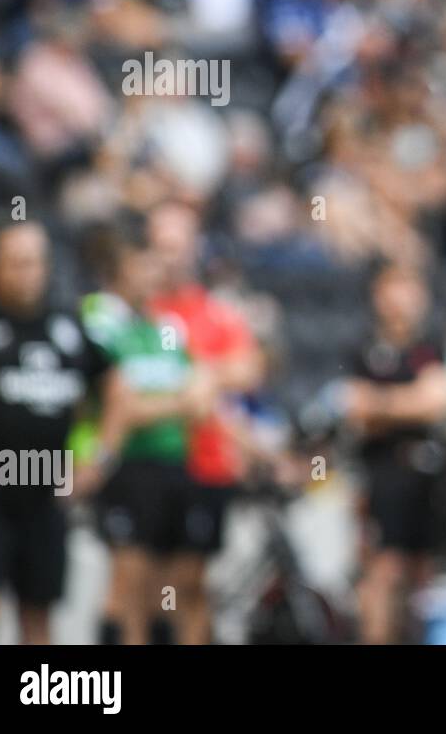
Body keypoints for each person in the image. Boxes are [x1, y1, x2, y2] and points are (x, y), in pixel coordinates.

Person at [0, 221, 113, 644]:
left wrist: (97, 459)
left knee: (39, 614)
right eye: (14, 263)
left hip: (45, 492)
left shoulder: (68, 330)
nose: (24, 272)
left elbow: (115, 389)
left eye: (32, 262)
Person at [79, 217, 216, 645]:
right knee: (131, 586)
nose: (153, 276)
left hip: (175, 462)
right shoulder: (99, 319)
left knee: (180, 588)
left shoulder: (163, 326)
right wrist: (174, 402)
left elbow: (201, 393)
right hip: (128, 466)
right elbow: (119, 402)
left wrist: (162, 402)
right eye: (142, 266)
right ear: (119, 269)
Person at [147, 200, 265, 645]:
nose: (169, 255)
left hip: (206, 464)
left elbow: (248, 367)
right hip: (153, 462)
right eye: (161, 246)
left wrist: (205, 375)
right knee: (150, 586)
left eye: (177, 245)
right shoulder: (143, 311)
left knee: (190, 583)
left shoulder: (214, 310)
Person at [343, 262, 446, 644]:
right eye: (394, 287)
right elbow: (355, 408)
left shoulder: (430, 345)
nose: (402, 297)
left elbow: (437, 402)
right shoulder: (363, 347)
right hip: (381, 472)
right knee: (384, 571)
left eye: (410, 286)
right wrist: (408, 401)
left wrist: (382, 403)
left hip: (427, 474)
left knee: (423, 573)